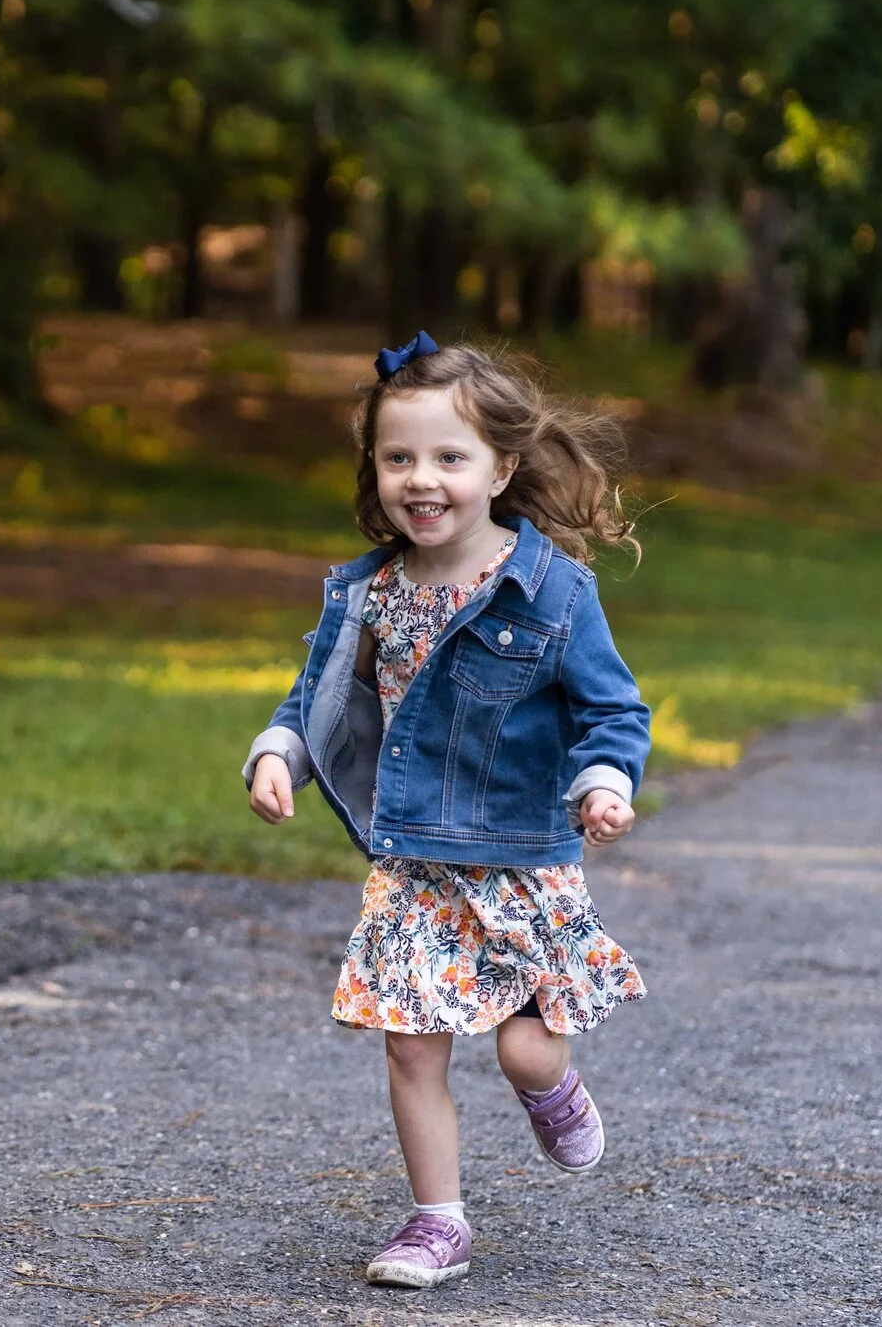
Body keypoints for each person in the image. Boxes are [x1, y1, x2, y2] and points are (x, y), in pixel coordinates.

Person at [240, 334, 648, 1291]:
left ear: (502, 467)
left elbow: (611, 708)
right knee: (411, 1043)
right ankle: (438, 1221)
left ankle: (552, 1088)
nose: (422, 479)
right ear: (374, 468)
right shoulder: (367, 591)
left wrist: (606, 780)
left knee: (522, 1044)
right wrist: (277, 753)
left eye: (449, 458)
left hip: (520, 857)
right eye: (399, 457)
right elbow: (317, 696)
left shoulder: (552, 588)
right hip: (414, 862)